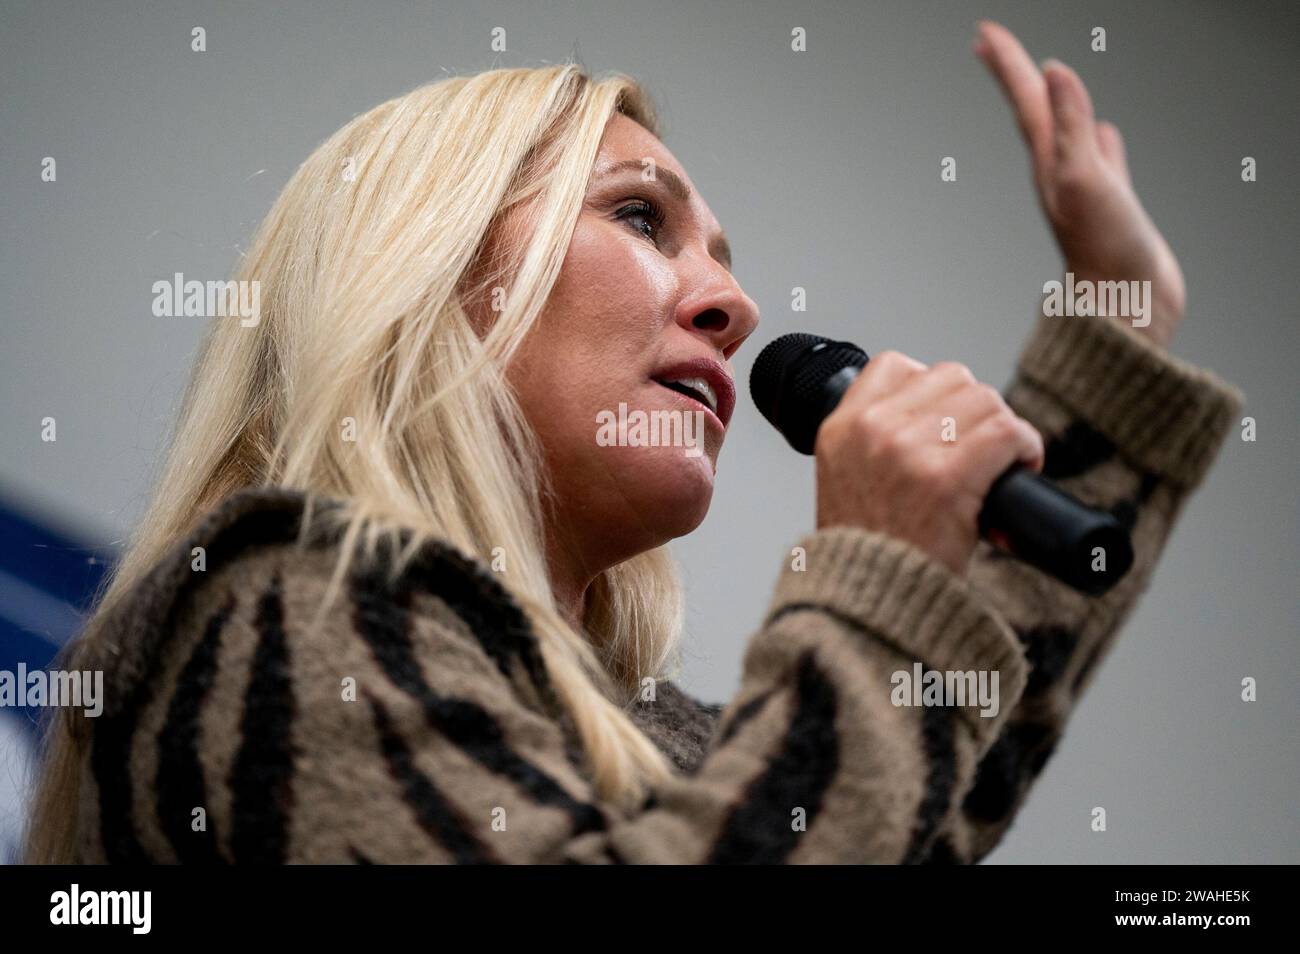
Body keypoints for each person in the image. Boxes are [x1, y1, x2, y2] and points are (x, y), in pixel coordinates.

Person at [24, 22, 1239, 864]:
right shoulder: (281, 607)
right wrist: (878, 594)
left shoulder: (671, 749)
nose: (733, 305)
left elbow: (900, 804)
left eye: (724, 261)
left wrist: (1116, 312)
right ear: (424, 276)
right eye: (640, 217)